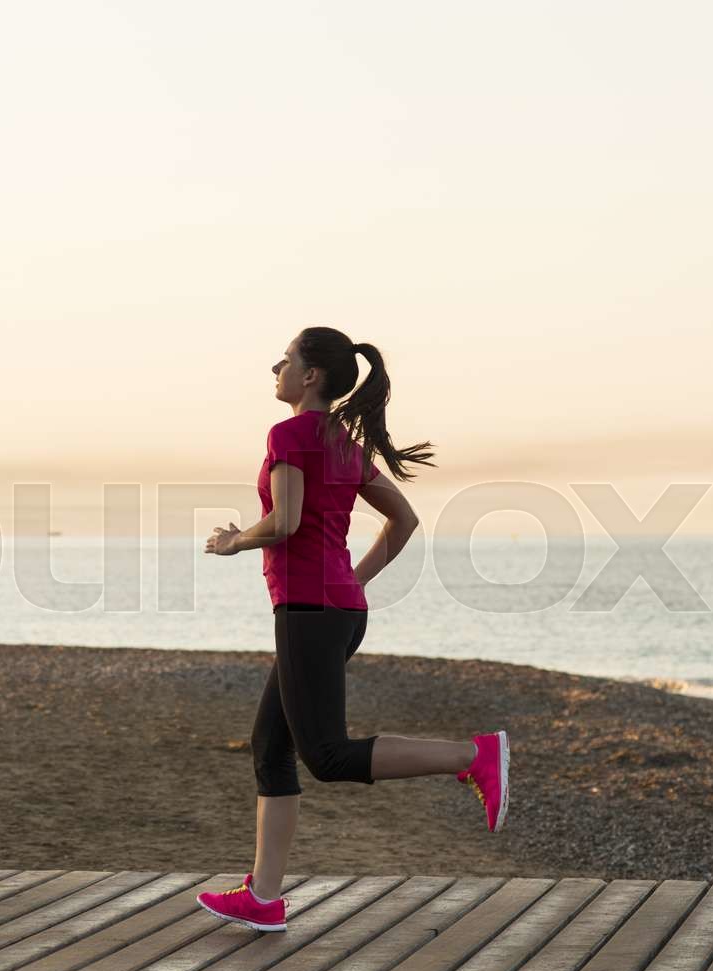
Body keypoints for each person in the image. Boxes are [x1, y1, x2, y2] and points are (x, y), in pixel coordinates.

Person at [196, 326, 508, 934]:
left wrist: (235, 541)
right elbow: (406, 519)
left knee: (327, 756)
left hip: (311, 612)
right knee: (271, 747)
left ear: (310, 376)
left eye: (284, 360)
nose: (275, 369)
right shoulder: (342, 442)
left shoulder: (290, 434)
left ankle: (475, 756)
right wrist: (355, 579)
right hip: (337, 610)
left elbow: (284, 523)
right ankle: (262, 897)